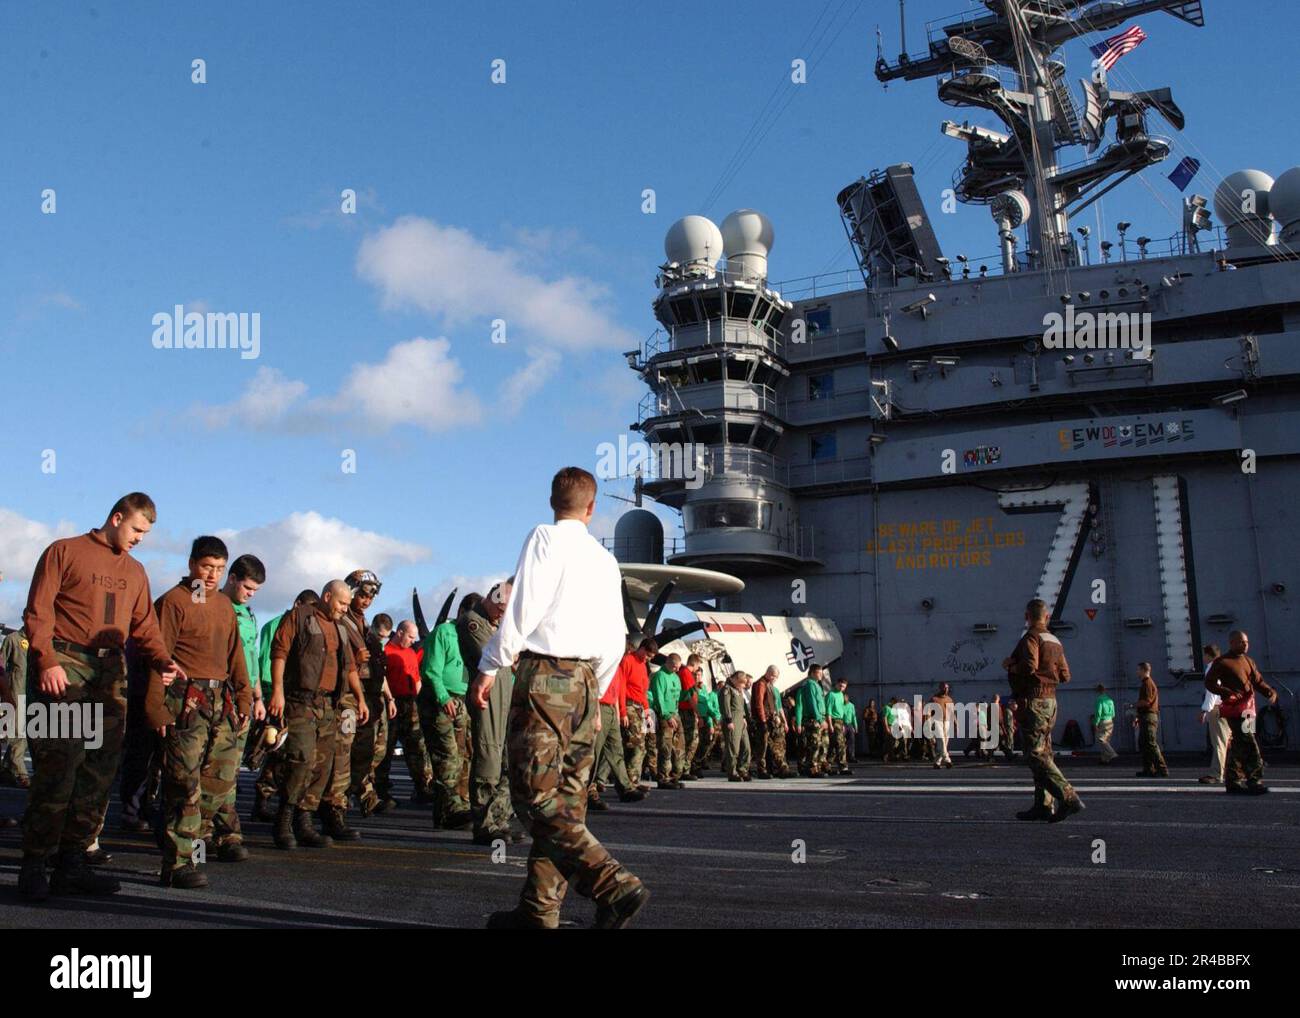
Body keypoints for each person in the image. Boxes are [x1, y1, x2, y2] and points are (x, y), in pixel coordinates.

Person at [470, 466, 647, 930]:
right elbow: (617, 635)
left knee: (533, 798)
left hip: (546, 676)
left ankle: (612, 884)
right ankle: (538, 912)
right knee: (568, 802)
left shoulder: (544, 537)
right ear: (592, 509)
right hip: (590, 682)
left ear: (552, 501)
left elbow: (522, 608)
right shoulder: (605, 561)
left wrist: (490, 664)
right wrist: (596, 685)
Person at [19, 492, 186, 902]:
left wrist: (164, 659)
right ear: (116, 518)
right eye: (136, 530)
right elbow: (37, 613)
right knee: (59, 768)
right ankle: (34, 864)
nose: (140, 539)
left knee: (98, 772)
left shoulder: (136, 571)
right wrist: (47, 661)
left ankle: (71, 864)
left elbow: (145, 625)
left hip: (111, 674)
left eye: (146, 534)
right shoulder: (64, 551)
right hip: (67, 663)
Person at [148, 536, 254, 888]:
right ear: (192, 563)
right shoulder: (172, 602)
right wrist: (157, 711)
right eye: (207, 567)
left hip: (220, 702)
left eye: (220, 569)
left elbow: (236, 655)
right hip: (184, 701)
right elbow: (155, 657)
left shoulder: (224, 605)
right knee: (184, 785)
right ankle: (178, 865)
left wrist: (243, 699)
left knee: (218, 784)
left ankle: (194, 850)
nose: (212, 575)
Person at [268, 580, 367, 850]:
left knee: (321, 767)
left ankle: (304, 822)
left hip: (327, 705)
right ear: (327, 597)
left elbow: (349, 668)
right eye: (341, 603)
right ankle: (283, 821)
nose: (345, 609)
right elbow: (279, 652)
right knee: (300, 759)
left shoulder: (340, 628)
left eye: (347, 604)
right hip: (300, 702)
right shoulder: (300, 617)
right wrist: (277, 691)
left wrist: (360, 698)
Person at [1004, 598, 1084, 822]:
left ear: (1026, 616)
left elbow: (1029, 666)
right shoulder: (1055, 641)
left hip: (1035, 701)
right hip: (1051, 702)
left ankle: (1068, 797)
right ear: (1046, 616)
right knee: (1045, 753)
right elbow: (1065, 675)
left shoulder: (1031, 637)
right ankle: (1043, 804)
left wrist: (1010, 665)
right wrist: (1048, 675)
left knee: (1035, 755)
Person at [206, 554, 265, 854]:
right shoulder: (215, 607)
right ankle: (208, 833)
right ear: (231, 578)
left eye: (255, 591)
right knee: (216, 769)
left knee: (230, 770)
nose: (250, 594)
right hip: (220, 695)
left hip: (243, 698)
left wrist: (257, 697)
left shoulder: (249, 615)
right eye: (247, 587)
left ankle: (225, 833)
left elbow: (251, 658)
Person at [463, 581, 527, 843]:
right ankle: (484, 823)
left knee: (506, 762)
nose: (503, 616)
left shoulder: (494, 626)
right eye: (502, 610)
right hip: (487, 700)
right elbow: (495, 656)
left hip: (503, 698)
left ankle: (498, 818)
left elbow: (509, 654)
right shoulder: (473, 622)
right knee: (488, 760)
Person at [250, 589, 318, 821]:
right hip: (275, 692)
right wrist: (271, 693)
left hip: (295, 695)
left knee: (290, 751)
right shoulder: (277, 624)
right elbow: (268, 659)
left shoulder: (309, 627)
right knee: (275, 748)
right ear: (297, 603)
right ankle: (262, 799)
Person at [419, 592, 477, 830]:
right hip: (439, 700)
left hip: (463, 700)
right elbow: (432, 669)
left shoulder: (473, 637)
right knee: (448, 757)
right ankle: (451, 809)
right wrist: (443, 697)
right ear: (462, 612)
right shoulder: (444, 632)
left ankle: (450, 809)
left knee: (464, 756)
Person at [1204, 631, 1278, 795]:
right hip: (1234, 710)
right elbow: (1209, 682)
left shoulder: (1248, 661)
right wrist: (1225, 691)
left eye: (1246, 642)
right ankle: (1254, 780)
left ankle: (1233, 781)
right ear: (1232, 643)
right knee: (1249, 742)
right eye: (1241, 642)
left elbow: (1257, 681)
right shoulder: (1222, 662)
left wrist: (1270, 692)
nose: (1245, 645)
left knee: (1238, 745)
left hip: (1248, 709)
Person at [377, 620, 434, 805]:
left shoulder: (410, 653)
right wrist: (389, 700)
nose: (413, 640)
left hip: (411, 704)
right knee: (386, 748)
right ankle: (381, 789)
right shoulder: (386, 653)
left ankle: (421, 787)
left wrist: (419, 701)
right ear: (400, 632)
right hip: (392, 704)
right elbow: (382, 679)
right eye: (410, 636)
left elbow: (417, 679)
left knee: (417, 747)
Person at [590, 641, 648, 811]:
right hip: (600, 706)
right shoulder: (603, 662)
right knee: (594, 752)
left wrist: (618, 711)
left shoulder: (617, 665)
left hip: (611, 708)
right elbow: (595, 687)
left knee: (616, 750)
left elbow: (618, 690)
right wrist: (597, 713)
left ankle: (625, 787)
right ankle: (589, 790)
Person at [0, 626, 31, 788]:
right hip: (15, 692)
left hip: (32, 693)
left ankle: (6, 770)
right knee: (18, 732)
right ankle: (21, 773)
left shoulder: (39, 640)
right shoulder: (12, 639)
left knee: (23, 732)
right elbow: (1, 665)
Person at [622, 638, 655, 784]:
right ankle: (631, 781)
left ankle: (632, 779)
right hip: (629, 706)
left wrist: (647, 711)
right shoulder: (628, 661)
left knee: (640, 745)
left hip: (640, 707)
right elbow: (621, 686)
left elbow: (643, 691)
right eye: (647, 655)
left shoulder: (643, 665)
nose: (648, 659)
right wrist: (622, 712)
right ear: (641, 648)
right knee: (637, 745)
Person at [649, 653, 684, 789]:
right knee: (665, 747)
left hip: (675, 714)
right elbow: (659, 698)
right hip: (666, 716)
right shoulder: (660, 676)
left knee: (679, 747)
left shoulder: (676, 677)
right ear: (668, 663)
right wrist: (666, 716)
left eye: (678, 668)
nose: (676, 670)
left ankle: (674, 776)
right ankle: (663, 777)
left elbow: (677, 697)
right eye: (675, 667)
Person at [1130, 662, 1169, 778]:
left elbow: (1146, 701)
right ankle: (1149, 769)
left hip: (1149, 716)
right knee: (1144, 743)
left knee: (1150, 743)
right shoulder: (1146, 683)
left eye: (1138, 670)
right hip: (1145, 716)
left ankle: (1162, 769)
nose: (1137, 672)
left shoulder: (1147, 684)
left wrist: (1133, 705)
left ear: (1143, 670)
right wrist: (1138, 716)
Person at [1198, 643, 1229, 785]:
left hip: (1216, 708)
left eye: (1204, 654)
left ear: (1209, 655)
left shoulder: (1212, 668)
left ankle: (1217, 773)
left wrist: (1205, 710)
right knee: (1226, 742)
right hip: (1227, 707)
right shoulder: (1225, 666)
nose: (1203, 658)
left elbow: (1212, 690)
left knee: (1218, 742)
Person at [794, 666, 828, 776]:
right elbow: (812, 702)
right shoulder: (809, 685)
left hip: (819, 717)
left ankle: (819, 766)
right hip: (813, 719)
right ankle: (813, 769)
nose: (821, 675)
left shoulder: (816, 685)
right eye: (819, 673)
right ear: (812, 673)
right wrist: (819, 719)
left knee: (820, 744)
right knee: (814, 745)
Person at [720, 670, 752, 780]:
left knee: (746, 746)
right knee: (733, 748)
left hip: (740, 720)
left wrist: (744, 717)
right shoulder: (727, 689)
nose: (743, 686)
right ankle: (732, 772)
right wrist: (729, 720)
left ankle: (742, 769)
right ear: (736, 680)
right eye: (742, 683)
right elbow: (726, 705)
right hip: (732, 719)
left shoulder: (738, 690)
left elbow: (741, 705)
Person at [676, 654, 701, 782]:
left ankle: (684, 768)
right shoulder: (686, 674)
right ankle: (683, 769)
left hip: (687, 710)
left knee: (690, 740)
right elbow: (690, 696)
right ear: (695, 663)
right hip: (686, 710)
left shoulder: (685, 673)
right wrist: (698, 713)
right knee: (690, 740)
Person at [750, 666, 775, 778]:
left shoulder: (768, 684)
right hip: (761, 720)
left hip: (768, 718)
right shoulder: (761, 684)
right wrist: (763, 720)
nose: (775, 679)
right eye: (774, 676)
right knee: (762, 746)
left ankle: (770, 768)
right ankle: (762, 770)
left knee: (769, 745)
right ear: (769, 673)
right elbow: (759, 703)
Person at [693, 680, 721, 775]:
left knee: (706, 743)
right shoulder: (693, 690)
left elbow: (708, 707)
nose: (698, 678)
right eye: (696, 675)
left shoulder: (704, 690)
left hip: (707, 718)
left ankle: (698, 763)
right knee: (696, 744)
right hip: (697, 718)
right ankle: (694, 765)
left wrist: (712, 719)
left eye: (700, 675)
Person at [827, 678, 854, 774]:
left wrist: (842, 723)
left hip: (840, 721)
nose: (842, 688)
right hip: (834, 720)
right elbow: (828, 710)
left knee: (834, 744)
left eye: (844, 687)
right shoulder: (831, 694)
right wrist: (830, 724)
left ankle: (827, 764)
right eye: (841, 686)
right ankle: (843, 767)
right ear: (837, 684)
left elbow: (841, 709)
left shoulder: (841, 695)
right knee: (841, 744)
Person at [928, 682, 955, 770]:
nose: (946, 689)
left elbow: (952, 713)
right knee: (941, 741)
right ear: (940, 688)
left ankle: (937, 763)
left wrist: (956, 723)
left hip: (947, 722)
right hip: (937, 721)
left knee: (944, 743)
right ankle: (948, 760)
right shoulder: (934, 699)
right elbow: (928, 712)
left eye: (947, 688)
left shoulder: (949, 699)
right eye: (944, 688)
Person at [1091, 684, 1117, 764]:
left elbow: (1098, 713)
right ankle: (1105, 759)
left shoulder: (1099, 700)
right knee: (1107, 740)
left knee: (1101, 739)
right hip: (1110, 721)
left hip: (1103, 721)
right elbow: (1113, 713)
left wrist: (1095, 723)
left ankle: (1112, 753)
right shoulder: (1110, 700)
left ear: (1097, 691)